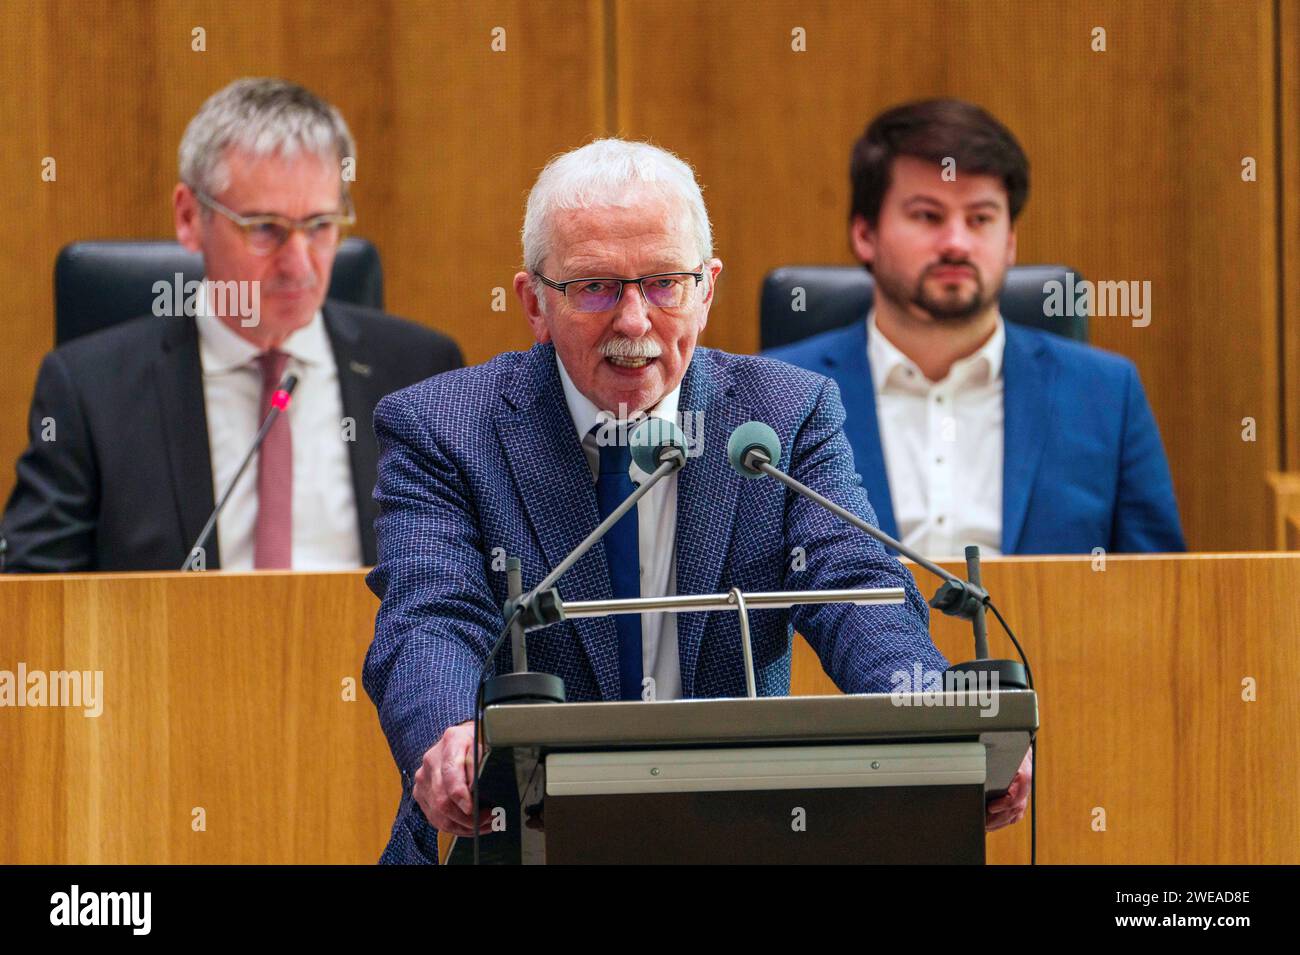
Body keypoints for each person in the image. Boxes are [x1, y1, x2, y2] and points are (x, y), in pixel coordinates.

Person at [362, 138, 1028, 864]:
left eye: (663, 285)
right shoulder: (444, 427)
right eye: (595, 287)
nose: (634, 322)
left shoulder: (783, 417)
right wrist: (452, 735)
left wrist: (936, 713)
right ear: (534, 303)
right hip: (516, 836)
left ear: (706, 290)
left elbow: (856, 591)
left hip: (739, 833)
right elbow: (432, 615)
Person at [1, 78, 461, 572]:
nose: (299, 265)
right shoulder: (90, 392)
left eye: (320, 226)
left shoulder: (424, 374)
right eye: (264, 228)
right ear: (189, 217)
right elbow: (36, 593)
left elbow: (468, 577)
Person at [766, 98, 1185, 557]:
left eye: (980, 219)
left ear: (1010, 241)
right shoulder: (777, 395)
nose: (957, 244)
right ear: (865, 235)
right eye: (928, 216)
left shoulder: (1106, 393)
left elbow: (1159, 586)